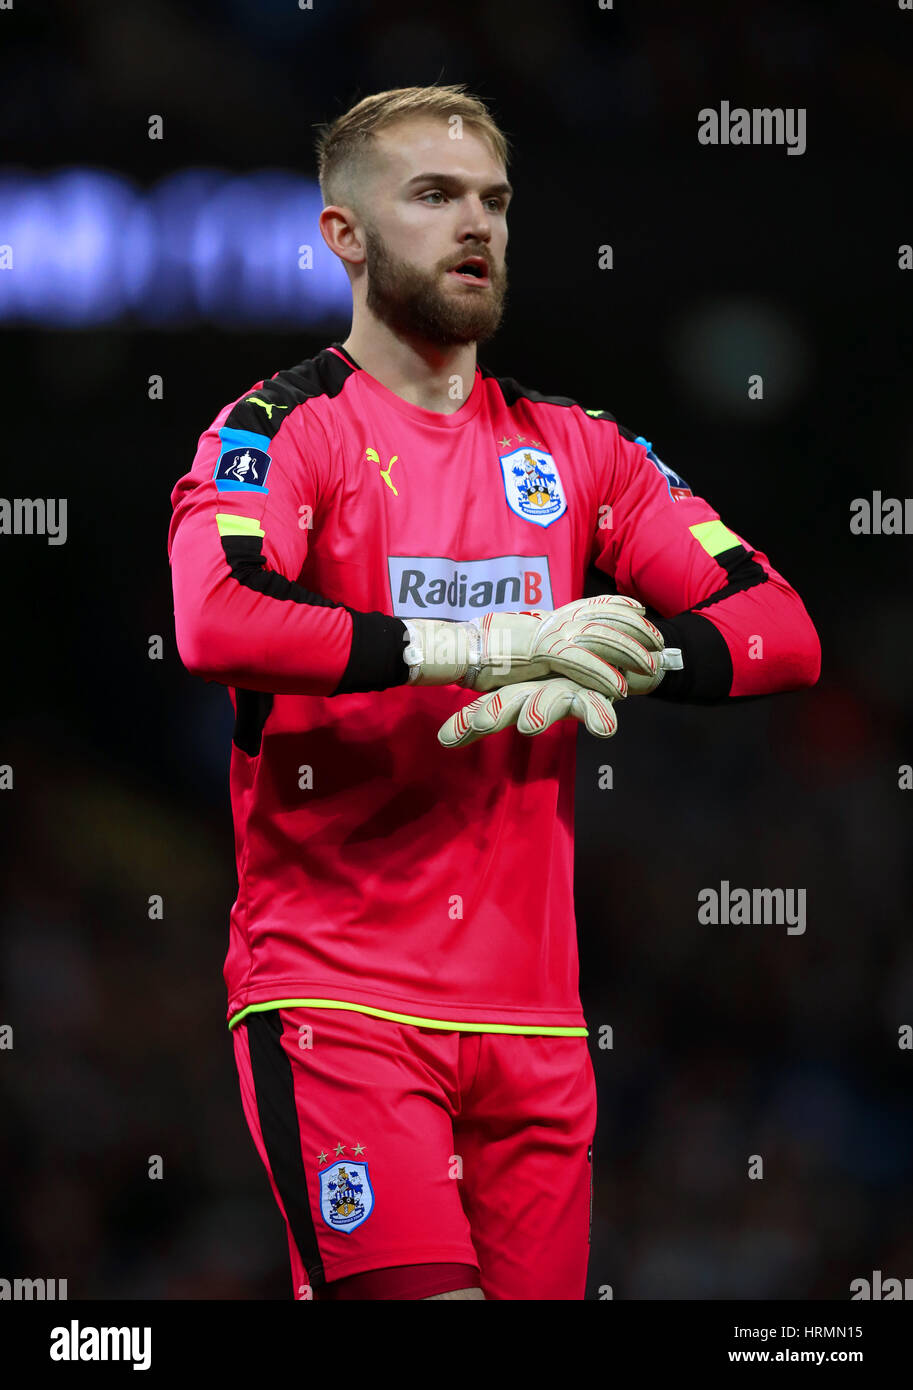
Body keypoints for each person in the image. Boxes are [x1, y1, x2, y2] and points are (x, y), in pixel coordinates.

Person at [167, 83, 820, 1301]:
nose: (477, 225)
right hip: (336, 995)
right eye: (433, 196)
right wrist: (481, 646)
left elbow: (781, 628)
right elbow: (215, 618)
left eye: (494, 201)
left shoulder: (579, 450)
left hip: (536, 1030)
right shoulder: (280, 427)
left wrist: (641, 655)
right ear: (343, 236)